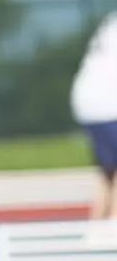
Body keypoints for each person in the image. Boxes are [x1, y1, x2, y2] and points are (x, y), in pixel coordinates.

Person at [71, 11, 117, 220]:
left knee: (107, 173)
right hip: (108, 103)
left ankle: (95, 230)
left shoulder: (111, 20)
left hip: (90, 102)